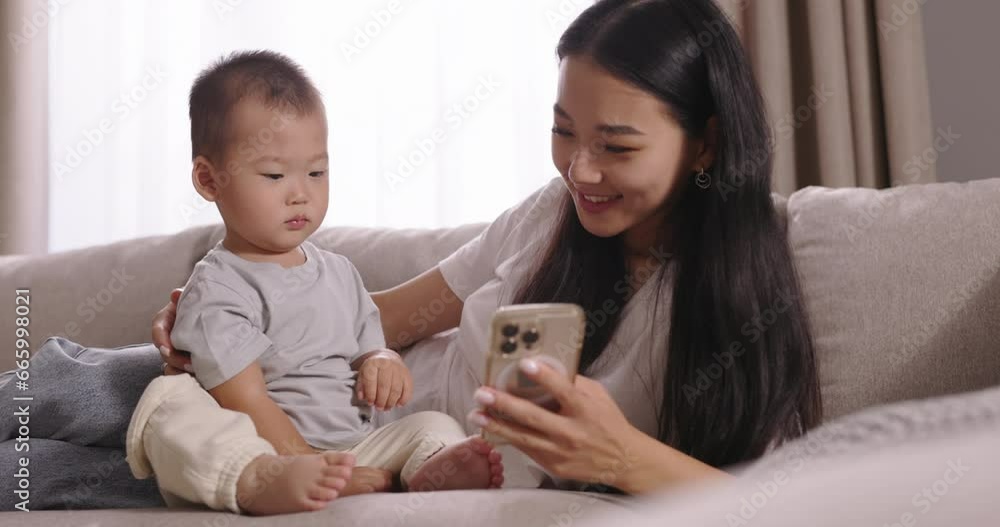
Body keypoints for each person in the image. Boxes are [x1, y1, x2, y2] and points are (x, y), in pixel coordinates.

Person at [156, 0, 822, 496]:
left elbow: (782, 505)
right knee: (118, 389)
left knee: (144, 424)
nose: (580, 170)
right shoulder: (552, 211)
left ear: (704, 143)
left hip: (404, 453)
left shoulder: (734, 292)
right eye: (564, 132)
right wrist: (232, 311)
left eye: (616, 146)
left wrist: (619, 455)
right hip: (327, 399)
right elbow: (391, 317)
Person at [128, 50, 503, 516]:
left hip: (354, 449)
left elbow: (371, 344)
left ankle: (429, 470)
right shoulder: (218, 289)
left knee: (433, 422)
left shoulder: (340, 272)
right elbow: (246, 400)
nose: (300, 192)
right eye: (274, 175)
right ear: (209, 179)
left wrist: (382, 361)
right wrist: (300, 459)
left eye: (316, 172)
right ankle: (254, 481)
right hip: (262, 445)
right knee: (170, 406)